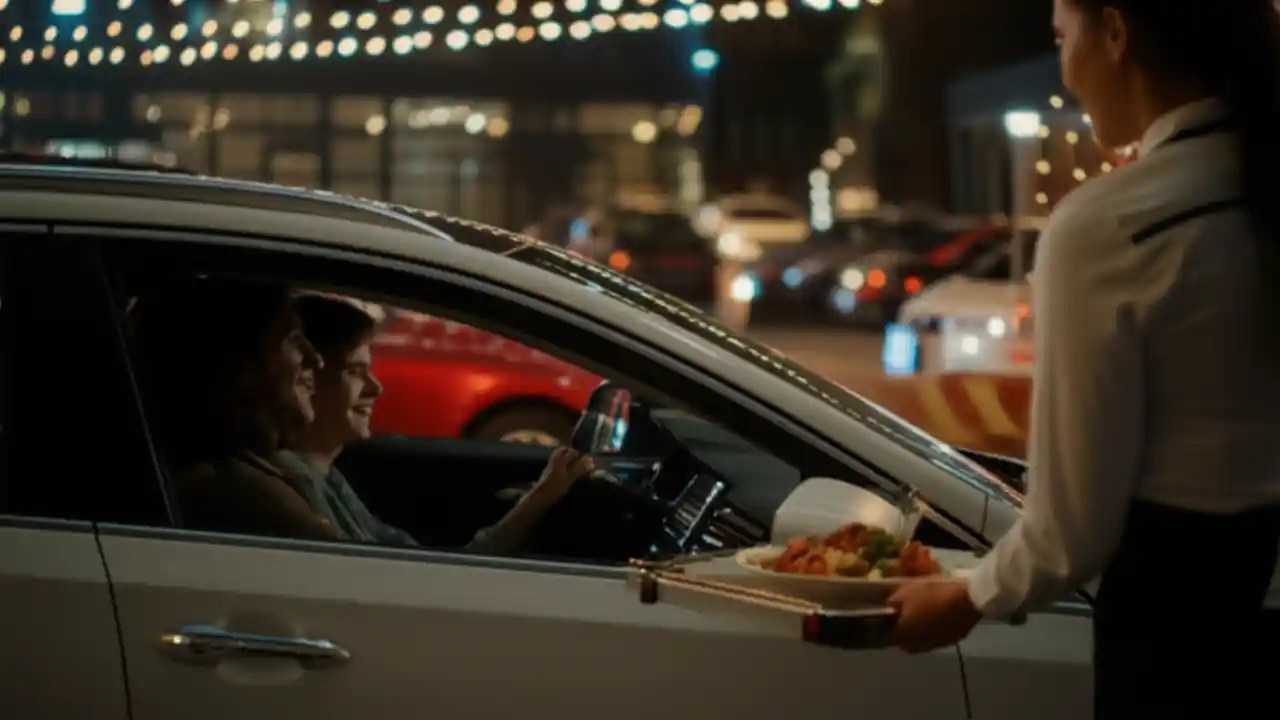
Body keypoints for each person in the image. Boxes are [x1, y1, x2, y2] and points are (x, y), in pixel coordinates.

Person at [887, 1, 1280, 716]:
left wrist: (969, 596)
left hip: (1179, 637)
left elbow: (1070, 531)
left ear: (1117, 32)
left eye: (1062, 37)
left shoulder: (1116, 224)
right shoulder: (1244, 185)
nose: (1065, 70)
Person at [277, 293, 593, 554]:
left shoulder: (326, 478)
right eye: (354, 371)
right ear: (305, 379)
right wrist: (537, 503)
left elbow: (425, 567)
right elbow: (425, 581)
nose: (375, 388)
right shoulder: (296, 485)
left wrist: (539, 499)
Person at [130, 276, 344, 541]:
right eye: (293, 338)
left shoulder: (243, 471)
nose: (316, 359)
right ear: (241, 368)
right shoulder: (237, 491)